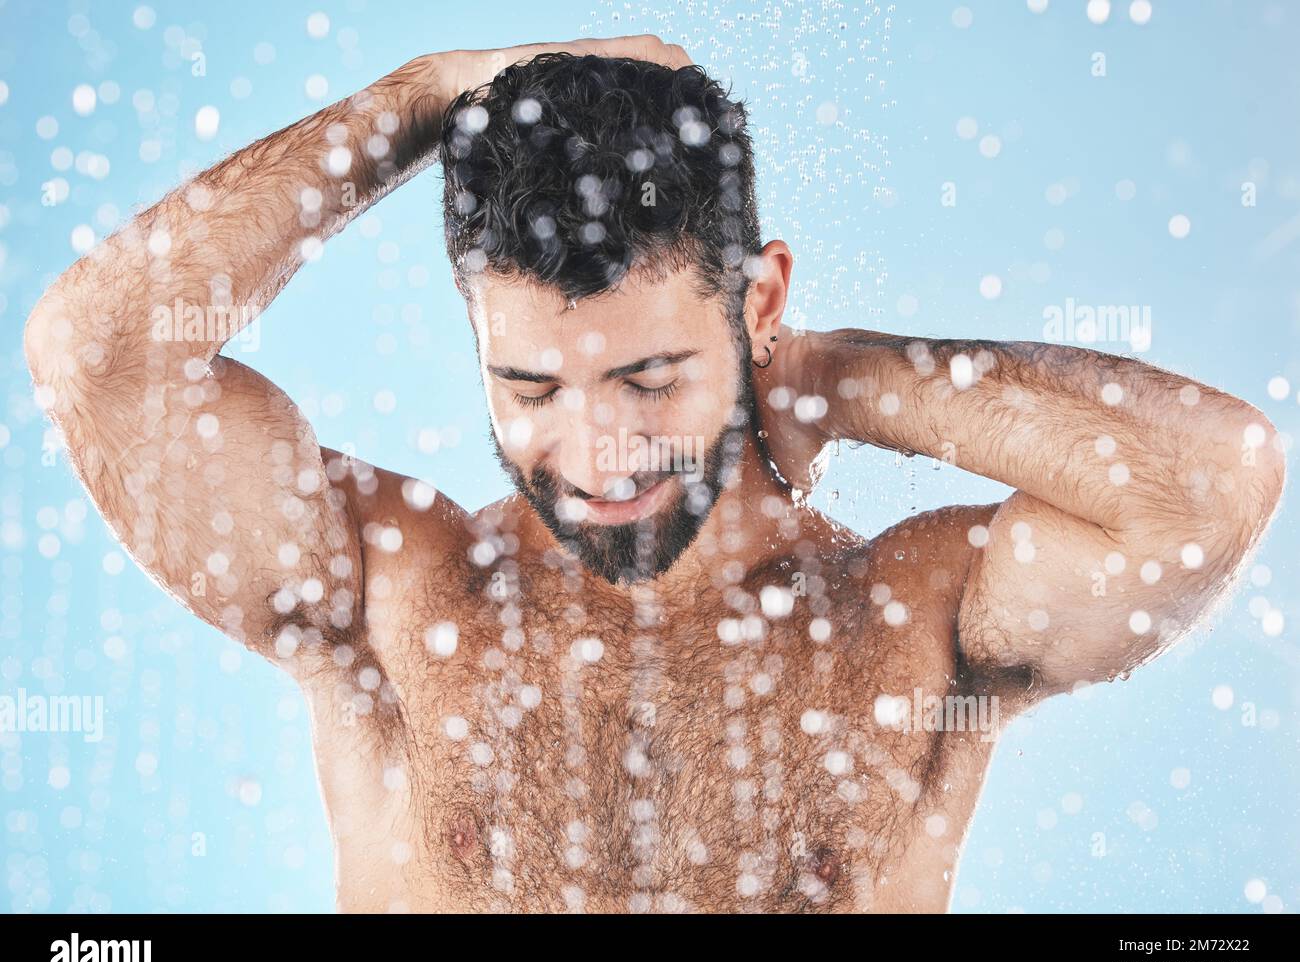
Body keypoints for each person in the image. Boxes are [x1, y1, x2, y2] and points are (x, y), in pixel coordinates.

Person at [22, 35, 1285, 913]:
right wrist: (424, 97)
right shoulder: (394, 588)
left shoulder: (912, 616)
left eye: (647, 380)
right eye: (528, 391)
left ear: (759, 301)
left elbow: (1211, 484)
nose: (594, 460)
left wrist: (837, 376)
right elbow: (98, 352)